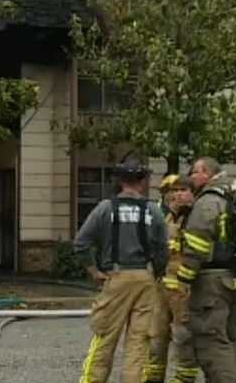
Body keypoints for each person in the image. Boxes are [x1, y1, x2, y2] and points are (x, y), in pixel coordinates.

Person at [73, 156, 168, 383]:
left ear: (120, 181)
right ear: (143, 181)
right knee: (138, 341)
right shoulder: (153, 210)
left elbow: (81, 243)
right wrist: (156, 274)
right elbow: (162, 250)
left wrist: (94, 271)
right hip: (145, 277)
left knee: (105, 336)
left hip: (116, 277)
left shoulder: (105, 208)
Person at [168, 157, 236, 383]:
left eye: (195, 172)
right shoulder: (235, 196)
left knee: (212, 343)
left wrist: (184, 279)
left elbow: (197, 245)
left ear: (206, 173)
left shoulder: (208, 200)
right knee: (229, 340)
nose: (192, 177)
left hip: (213, 284)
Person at [144, 174, 199, 383]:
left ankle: (184, 377)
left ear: (193, 194)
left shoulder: (196, 218)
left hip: (183, 289)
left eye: (182, 190)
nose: (176, 195)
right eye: (173, 191)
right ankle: (153, 376)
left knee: (182, 335)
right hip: (161, 286)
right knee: (156, 334)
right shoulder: (166, 217)